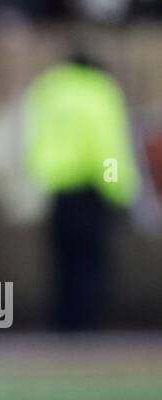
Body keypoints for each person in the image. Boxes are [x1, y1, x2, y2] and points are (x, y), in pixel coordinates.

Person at [25, 50, 140, 332]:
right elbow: (108, 148)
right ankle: (87, 329)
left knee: (63, 261)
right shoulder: (99, 91)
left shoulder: (47, 89)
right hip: (91, 190)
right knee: (90, 262)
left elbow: (32, 137)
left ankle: (64, 325)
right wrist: (119, 189)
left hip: (57, 188)